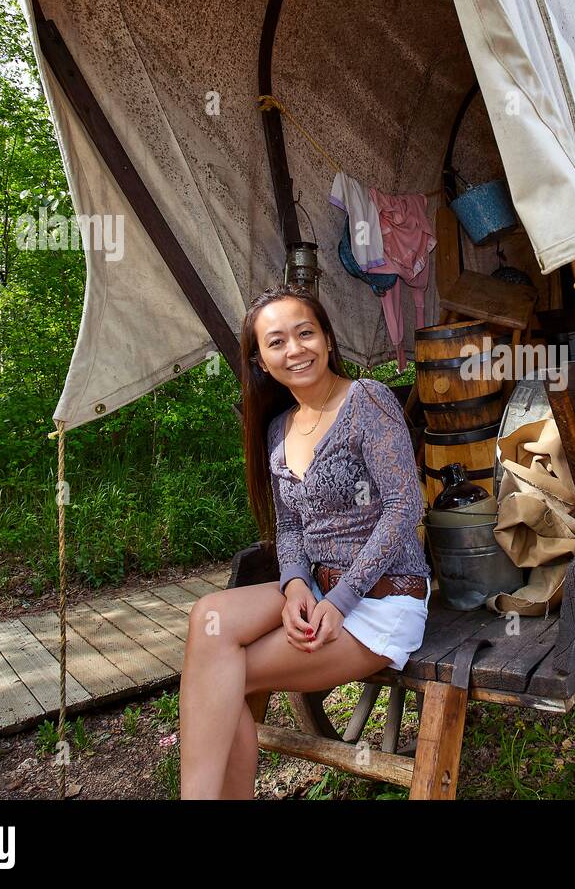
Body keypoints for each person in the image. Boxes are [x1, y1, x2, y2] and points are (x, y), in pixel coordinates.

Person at [179, 286, 430, 799]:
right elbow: (290, 529)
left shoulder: (369, 401)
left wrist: (340, 599)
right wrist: (294, 583)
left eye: (305, 333)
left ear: (328, 340)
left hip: (382, 599)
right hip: (315, 590)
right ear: (262, 362)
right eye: (277, 342)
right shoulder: (277, 429)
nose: (295, 349)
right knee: (208, 615)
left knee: (223, 682)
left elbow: (404, 508)